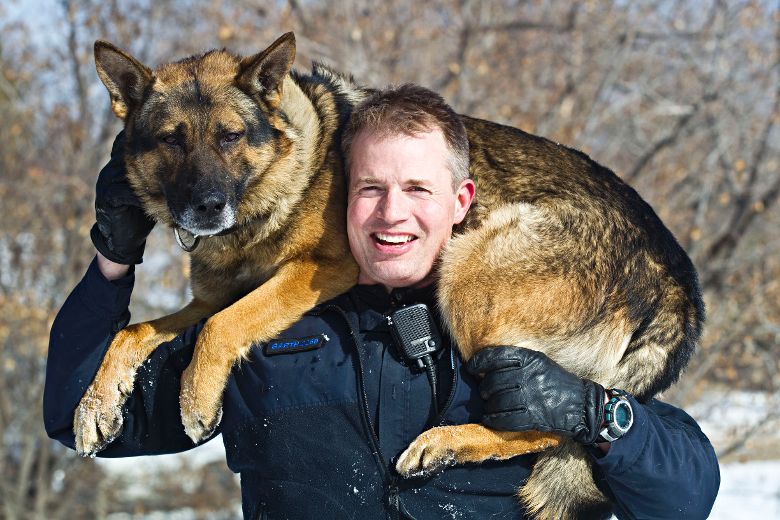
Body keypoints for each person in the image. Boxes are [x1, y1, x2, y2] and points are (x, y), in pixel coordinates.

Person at [44, 85, 719, 519]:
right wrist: (113, 261)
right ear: (341, 195)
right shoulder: (264, 328)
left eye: (417, 191)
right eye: (370, 190)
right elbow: (74, 416)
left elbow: (687, 495)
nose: (392, 215)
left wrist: (598, 414)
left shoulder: (517, 326)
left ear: (463, 202)